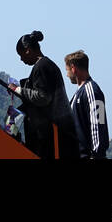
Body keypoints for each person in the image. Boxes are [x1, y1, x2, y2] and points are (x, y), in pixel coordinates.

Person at [9, 30, 79, 159]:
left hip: (53, 138)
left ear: (28, 50)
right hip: (58, 136)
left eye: (21, 54)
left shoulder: (42, 66)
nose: (21, 59)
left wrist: (18, 90)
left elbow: (42, 97)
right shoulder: (46, 65)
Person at [65, 50, 109, 159]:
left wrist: (95, 155)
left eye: (67, 70)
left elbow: (98, 125)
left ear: (73, 68)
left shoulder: (92, 91)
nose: (66, 75)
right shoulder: (79, 93)